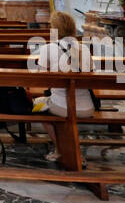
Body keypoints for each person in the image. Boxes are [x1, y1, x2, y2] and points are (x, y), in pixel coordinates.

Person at [31, 11, 95, 159]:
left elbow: (42, 80)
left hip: (61, 107)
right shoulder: (84, 49)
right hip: (87, 107)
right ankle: (68, 146)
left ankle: (61, 149)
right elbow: (91, 73)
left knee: (36, 107)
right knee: (52, 106)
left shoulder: (48, 48)